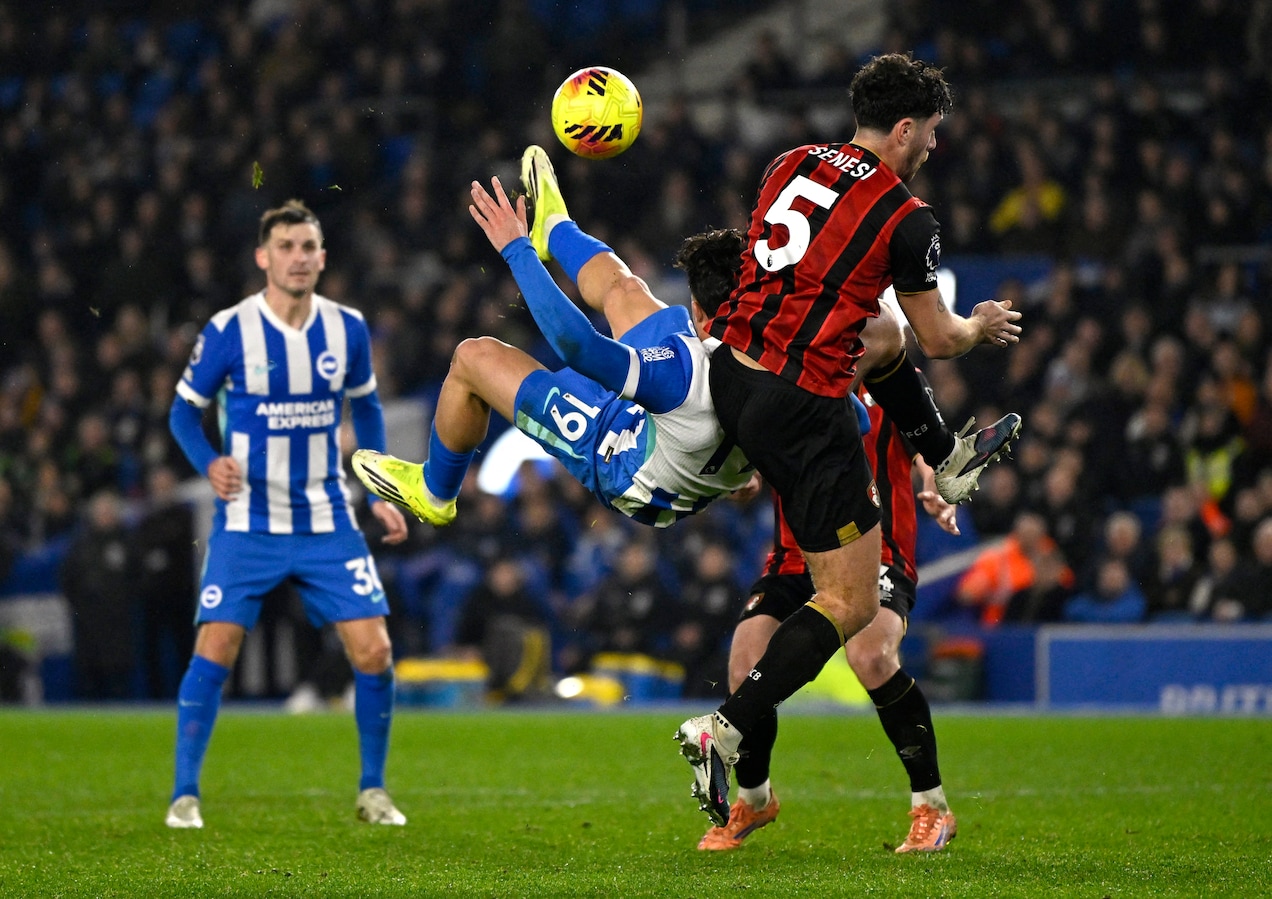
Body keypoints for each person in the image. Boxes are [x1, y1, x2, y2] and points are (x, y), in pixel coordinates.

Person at [678, 52, 1023, 826]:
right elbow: (939, 338)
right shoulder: (906, 217)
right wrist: (978, 326)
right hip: (804, 404)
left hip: (735, 378)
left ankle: (943, 454)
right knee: (851, 602)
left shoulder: (789, 162)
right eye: (929, 131)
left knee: (882, 334)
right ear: (903, 128)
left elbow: (807, 290)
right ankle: (725, 729)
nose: (932, 144)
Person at [351, 146, 755, 531]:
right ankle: (555, 228)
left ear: (698, 312)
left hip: (628, 469)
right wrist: (737, 471)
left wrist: (516, 249)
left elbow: (577, 345)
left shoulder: (679, 374)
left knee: (473, 358)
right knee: (626, 292)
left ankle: (434, 493)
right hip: (689, 445)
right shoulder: (778, 354)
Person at [163, 199, 410, 830]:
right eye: (286, 247)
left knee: (375, 651)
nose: (297, 258)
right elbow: (182, 413)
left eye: (307, 247)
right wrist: (208, 464)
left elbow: (367, 410)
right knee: (216, 646)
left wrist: (380, 491)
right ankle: (184, 795)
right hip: (248, 519)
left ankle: (373, 790)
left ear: (322, 258)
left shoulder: (347, 328)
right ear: (263, 257)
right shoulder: (229, 330)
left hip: (327, 517)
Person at [696, 307, 963, 853]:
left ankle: (932, 806)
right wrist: (742, 480)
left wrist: (936, 482)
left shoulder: (893, 371)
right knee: (744, 664)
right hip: (795, 555)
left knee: (871, 656)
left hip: (875, 552)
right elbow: (753, 457)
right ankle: (755, 797)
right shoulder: (783, 368)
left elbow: (928, 444)